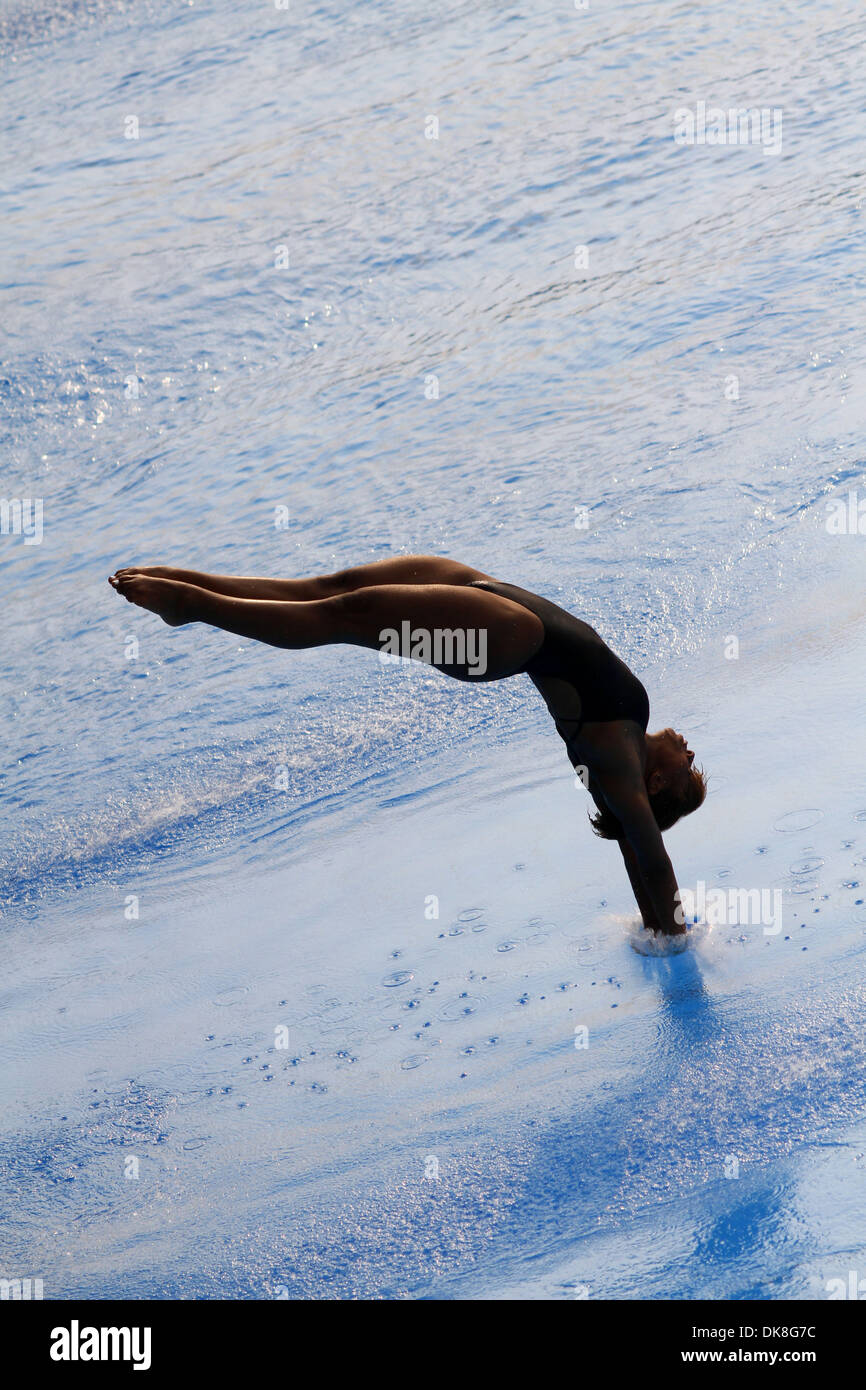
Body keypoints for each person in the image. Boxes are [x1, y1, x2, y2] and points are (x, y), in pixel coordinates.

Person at [109, 555, 706, 935]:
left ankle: (194, 607)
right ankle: (197, 583)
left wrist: (674, 940)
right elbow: (636, 848)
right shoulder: (626, 749)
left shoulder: (618, 759)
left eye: (689, 769)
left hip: (499, 637)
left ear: (656, 783)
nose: (689, 750)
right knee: (335, 588)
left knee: (345, 614)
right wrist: (654, 926)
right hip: (496, 599)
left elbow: (650, 856)